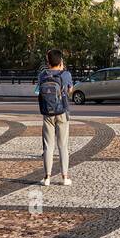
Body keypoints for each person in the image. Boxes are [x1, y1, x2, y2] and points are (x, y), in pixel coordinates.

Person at [36, 49, 74, 185]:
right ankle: (64, 177)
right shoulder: (66, 74)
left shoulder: (42, 75)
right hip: (62, 112)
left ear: (48, 61)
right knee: (63, 145)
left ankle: (47, 177)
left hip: (47, 113)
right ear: (61, 61)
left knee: (48, 146)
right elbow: (70, 90)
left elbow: (38, 90)